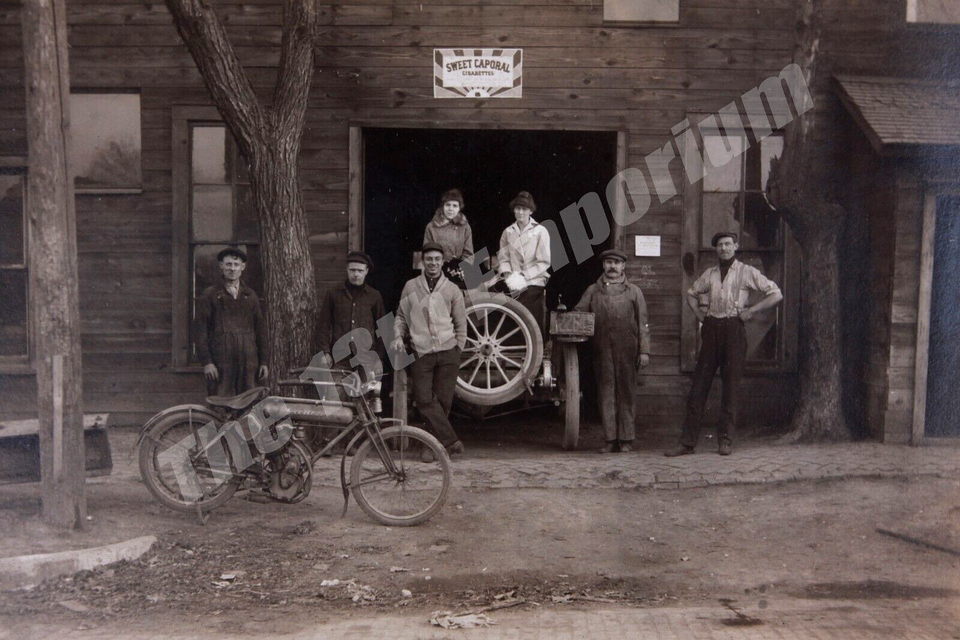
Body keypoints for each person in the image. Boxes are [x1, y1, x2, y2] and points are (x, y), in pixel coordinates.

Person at [665, 232, 783, 457]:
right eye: (720, 245)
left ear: (736, 246)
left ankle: (725, 441)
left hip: (734, 331)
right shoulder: (709, 274)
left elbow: (776, 294)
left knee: (730, 388)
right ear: (716, 249)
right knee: (698, 388)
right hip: (711, 331)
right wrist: (701, 316)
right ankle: (687, 443)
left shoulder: (747, 272)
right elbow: (691, 294)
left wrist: (752, 311)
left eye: (728, 244)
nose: (724, 248)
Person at [392, 242, 468, 458]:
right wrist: (398, 335)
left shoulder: (452, 289)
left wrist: (457, 350)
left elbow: (461, 324)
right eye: (429, 259)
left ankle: (431, 447)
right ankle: (451, 441)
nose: (433, 263)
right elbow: (400, 317)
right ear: (422, 261)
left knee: (443, 401)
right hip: (421, 351)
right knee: (424, 399)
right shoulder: (411, 286)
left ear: (442, 262)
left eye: (437, 259)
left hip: (448, 352)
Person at [575, 249, 651, 453]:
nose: (612, 267)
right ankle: (610, 440)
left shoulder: (634, 291)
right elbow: (579, 313)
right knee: (606, 393)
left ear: (623, 266)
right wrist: (568, 313)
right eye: (609, 262)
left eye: (617, 263)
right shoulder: (593, 290)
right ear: (603, 265)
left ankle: (626, 440)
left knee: (626, 393)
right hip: (602, 349)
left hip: (628, 350)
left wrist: (644, 351)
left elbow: (643, 323)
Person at [195, 246, 268, 398]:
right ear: (221, 266)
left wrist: (264, 361)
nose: (232, 269)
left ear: (243, 267)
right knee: (221, 404)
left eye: (236, 265)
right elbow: (200, 331)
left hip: (248, 361)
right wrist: (207, 362)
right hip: (222, 362)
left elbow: (260, 330)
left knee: (249, 402)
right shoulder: (210, 295)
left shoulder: (250, 295)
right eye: (228, 264)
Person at [316, 251, 386, 407]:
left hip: (367, 359)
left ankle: (363, 432)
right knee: (335, 403)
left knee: (365, 405)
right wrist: (325, 352)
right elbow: (323, 325)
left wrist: (379, 358)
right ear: (347, 270)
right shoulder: (333, 294)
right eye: (352, 270)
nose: (356, 274)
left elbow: (383, 328)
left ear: (366, 271)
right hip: (340, 359)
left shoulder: (374, 296)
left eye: (360, 271)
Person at [497, 191, 551, 335]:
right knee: (495, 299)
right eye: (518, 208)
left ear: (531, 211)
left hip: (533, 279)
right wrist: (508, 273)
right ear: (514, 210)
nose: (521, 212)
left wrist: (523, 275)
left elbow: (544, 262)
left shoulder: (540, 231)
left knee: (522, 303)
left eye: (524, 209)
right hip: (512, 279)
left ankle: (530, 343)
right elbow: (503, 257)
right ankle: (507, 343)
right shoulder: (508, 232)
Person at [423, 188, 474, 264]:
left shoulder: (465, 227)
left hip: (459, 271)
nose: (451, 209)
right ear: (442, 206)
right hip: (437, 270)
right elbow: (427, 253)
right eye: (448, 205)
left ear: (459, 208)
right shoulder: (431, 227)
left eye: (455, 206)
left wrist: (460, 269)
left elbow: (468, 254)